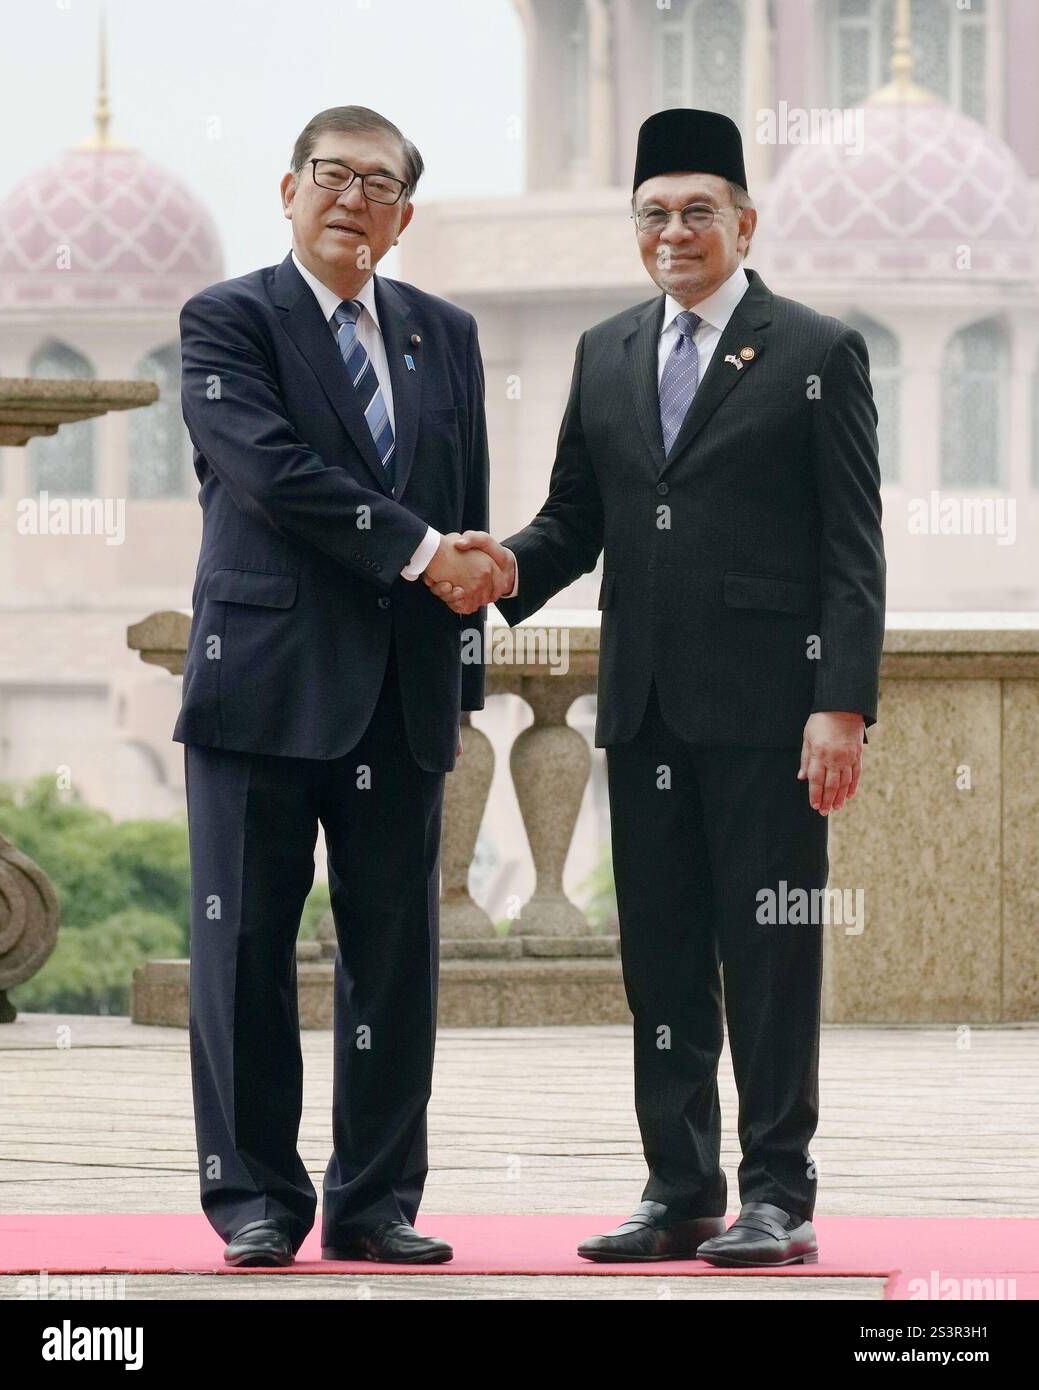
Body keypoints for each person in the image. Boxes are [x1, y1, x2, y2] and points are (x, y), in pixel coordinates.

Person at [424, 108, 886, 1267]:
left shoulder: (816, 351)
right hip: (644, 707)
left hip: (772, 714)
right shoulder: (610, 351)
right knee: (664, 958)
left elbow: (853, 549)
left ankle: (779, 1193)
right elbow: (582, 515)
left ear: (744, 221)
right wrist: (507, 564)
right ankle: (680, 1186)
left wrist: (841, 704)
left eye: (696, 212)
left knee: (770, 954)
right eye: (653, 215)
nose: (673, 233)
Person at [175, 105, 505, 1267]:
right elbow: (272, 472)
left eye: (378, 183)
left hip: (402, 695)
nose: (351, 196)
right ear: (287, 190)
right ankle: (256, 1198)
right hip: (259, 684)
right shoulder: (229, 320)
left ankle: (376, 1202)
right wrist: (423, 553)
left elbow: (460, 490)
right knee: (244, 948)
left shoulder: (442, 332)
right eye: (331, 174)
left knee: (394, 960)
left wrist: (458, 668)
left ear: (403, 216)